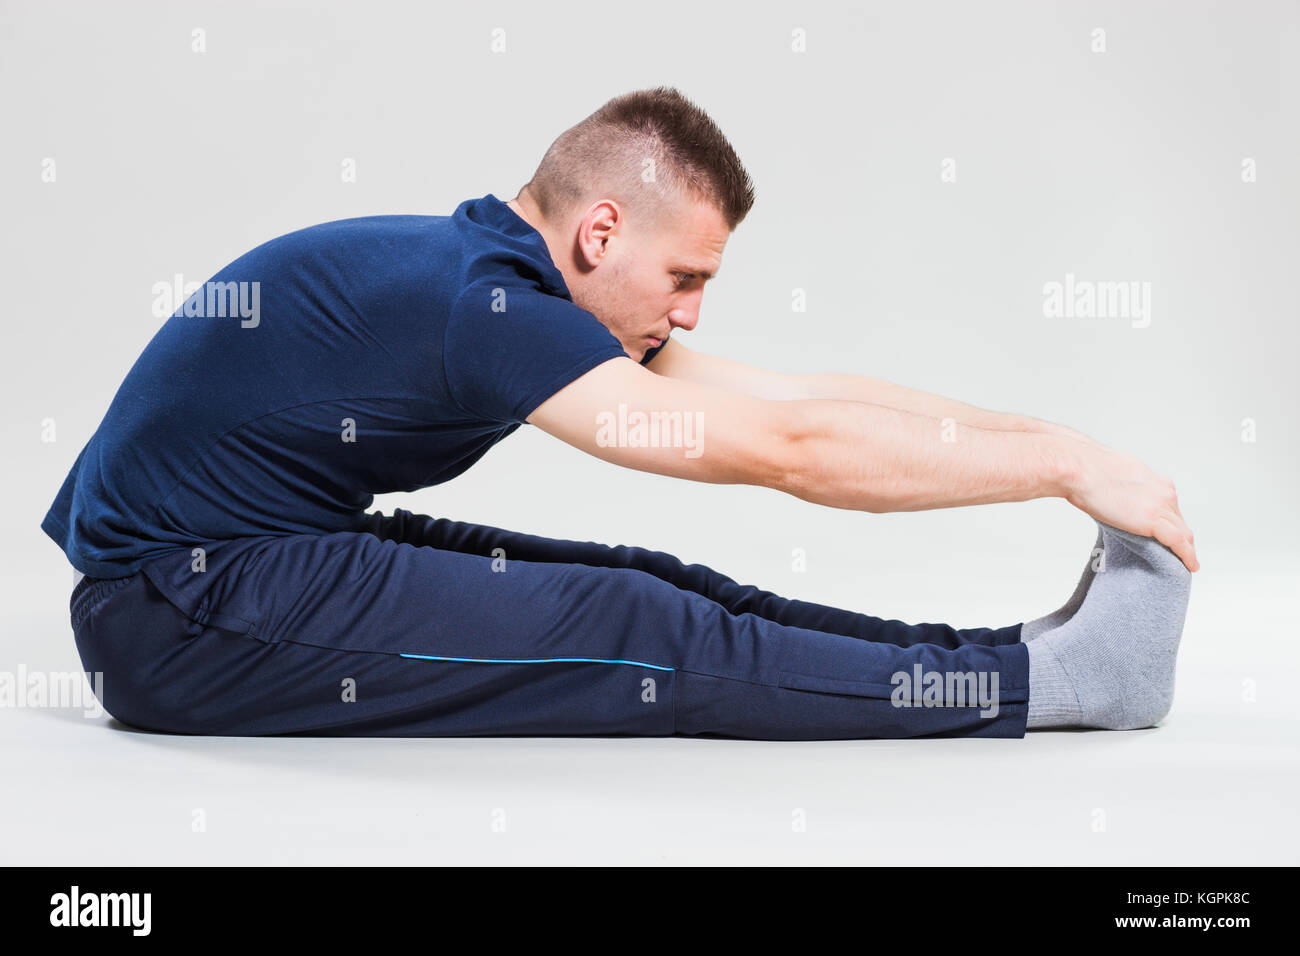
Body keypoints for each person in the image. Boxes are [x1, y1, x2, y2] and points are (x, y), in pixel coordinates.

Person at [44, 86, 1196, 740]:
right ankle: (1051, 690)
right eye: (684, 277)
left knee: (664, 582)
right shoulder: (485, 306)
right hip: (177, 613)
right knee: (640, 629)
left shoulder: (501, 280)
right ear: (600, 233)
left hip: (244, 563)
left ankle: (1012, 660)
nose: (690, 317)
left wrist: (1071, 451)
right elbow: (788, 452)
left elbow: (795, 397)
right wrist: (1057, 467)